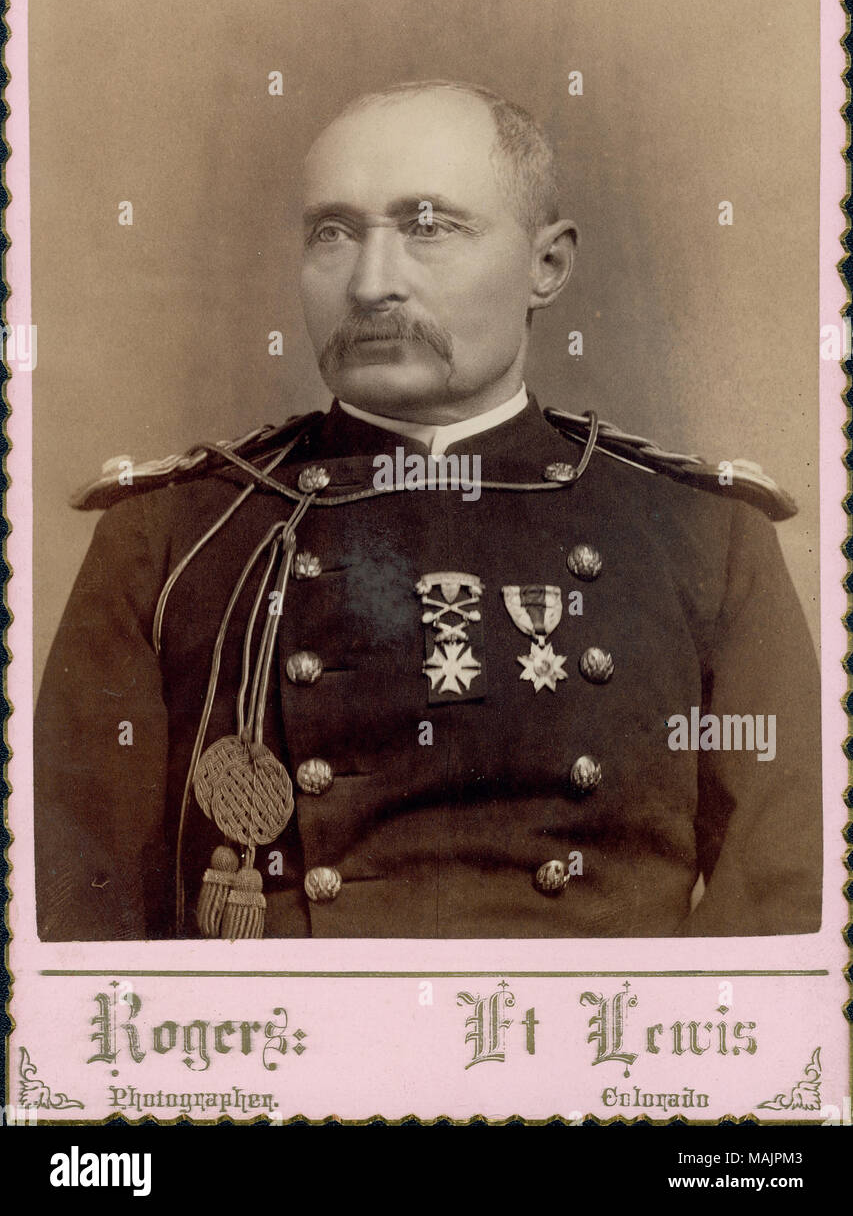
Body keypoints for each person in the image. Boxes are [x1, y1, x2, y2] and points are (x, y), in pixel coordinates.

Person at [34, 80, 821, 941]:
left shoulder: (702, 535)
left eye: (428, 227)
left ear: (545, 266)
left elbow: (780, 900)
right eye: (332, 233)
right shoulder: (171, 534)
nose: (371, 285)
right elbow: (78, 913)